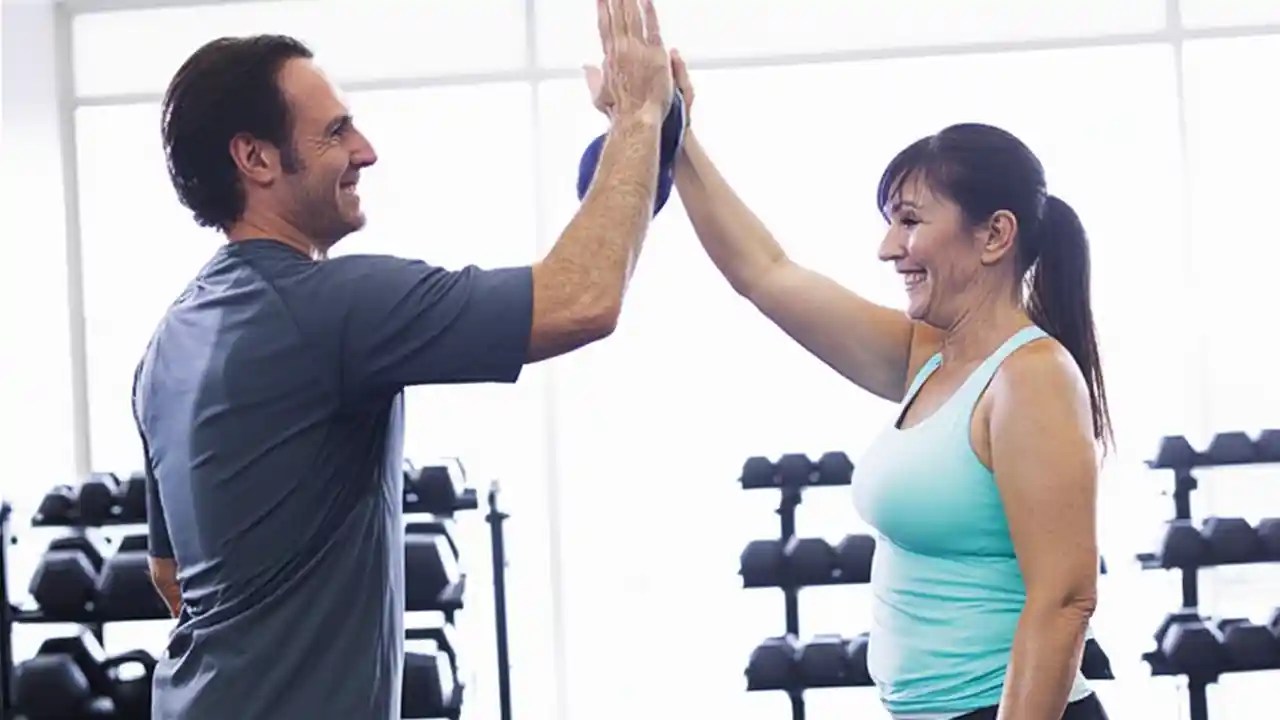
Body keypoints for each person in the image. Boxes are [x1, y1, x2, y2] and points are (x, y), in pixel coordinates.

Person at [133, 1, 674, 718]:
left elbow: (171, 577)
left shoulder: (168, 340)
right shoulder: (329, 308)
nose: (365, 149)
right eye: (334, 132)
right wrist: (640, 118)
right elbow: (581, 297)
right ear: (255, 158)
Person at [658, 56, 1111, 719]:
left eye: (909, 220)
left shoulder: (1030, 379)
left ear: (994, 235)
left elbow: (1065, 600)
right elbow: (765, 273)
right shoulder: (929, 358)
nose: (888, 247)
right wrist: (676, 132)